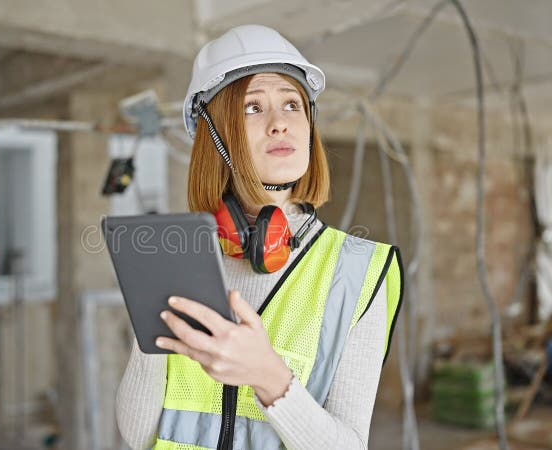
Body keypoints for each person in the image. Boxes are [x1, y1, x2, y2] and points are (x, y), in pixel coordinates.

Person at [116, 24, 403, 450]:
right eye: (253, 108)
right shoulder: (181, 256)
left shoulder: (360, 271)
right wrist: (152, 317)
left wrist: (269, 376)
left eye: (292, 105)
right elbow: (139, 437)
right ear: (216, 138)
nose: (279, 124)